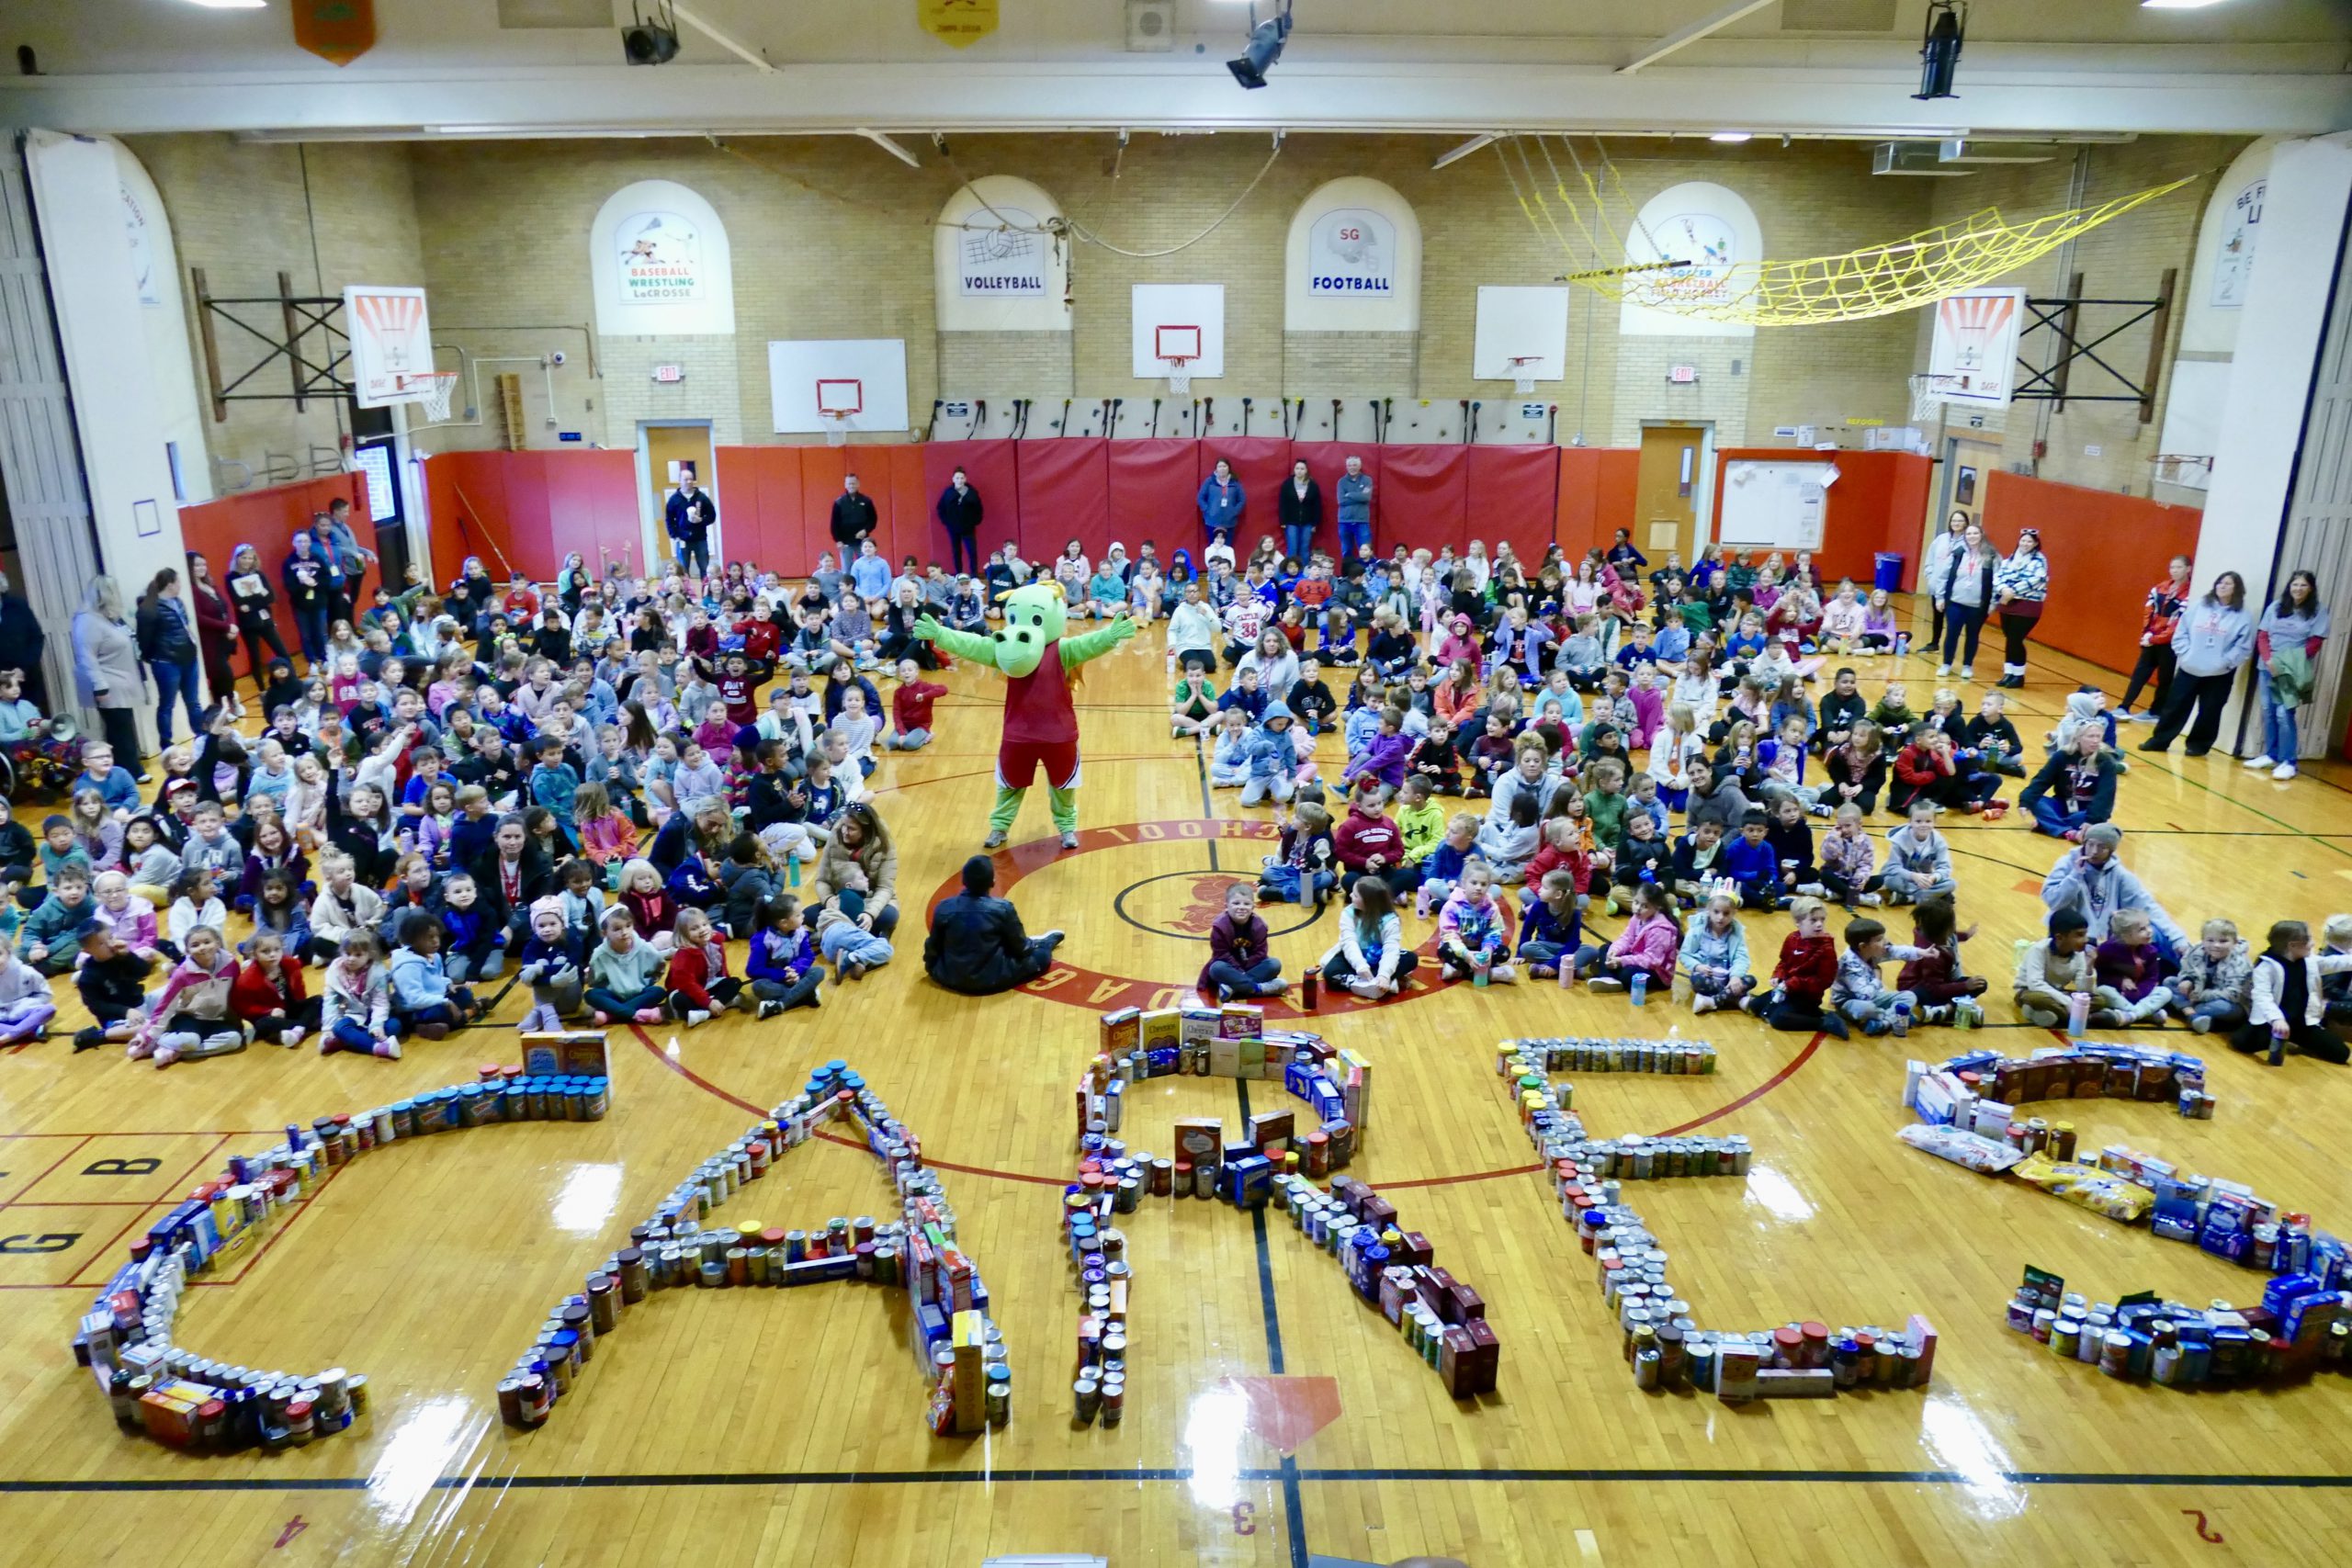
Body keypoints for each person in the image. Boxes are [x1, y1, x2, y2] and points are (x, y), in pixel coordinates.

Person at [2138, 570, 2255, 759]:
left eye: (2228, 584)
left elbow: (2243, 647)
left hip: (2219, 674)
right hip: (2189, 668)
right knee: (2175, 706)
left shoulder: (2243, 616)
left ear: (2237, 589)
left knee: (2210, 710)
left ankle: (2198, 745)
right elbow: (2181, 631)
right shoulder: (2199, 606)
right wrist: (2185, 654)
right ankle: (2159, 740)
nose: (2222, 586)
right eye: (2220, 582)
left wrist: (2225, 663)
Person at [924, 852, 1065, 996]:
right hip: (993, 979)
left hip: (948, 976)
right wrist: (1032, 947)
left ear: (964, 881)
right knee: (1041, 956)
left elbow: (933, 946)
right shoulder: (1002, 909)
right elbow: (1020, 948)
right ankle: (1044, 943)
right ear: (992, 882)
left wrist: (931, 966)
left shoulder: (944, 907)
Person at [2040, 822, 2186, 956]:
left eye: (2102, 847)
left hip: (2105, 940)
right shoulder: (2067, 863)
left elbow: (2148, 907)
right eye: (2090, 845)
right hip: (2071, 935)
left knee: (2154, 933)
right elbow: (2053, 901)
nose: (2094, 851)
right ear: (2084, 843)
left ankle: (2187, 967)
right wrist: (2074, 876)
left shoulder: (2120, 874)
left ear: (2111, 851)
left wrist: (2177, 938)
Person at [2247, 568, 2329, 780]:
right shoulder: (2276, 607)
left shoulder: (2317, 610)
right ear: (2289, 587)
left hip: (2292, 670)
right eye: (2295, 584)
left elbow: (2315, 643)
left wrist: (2285, 663)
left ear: (2310, 588)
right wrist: (2268, 660)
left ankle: (2288, 761)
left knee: (2285, 713)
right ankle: (2271, 754)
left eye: (2303, 585)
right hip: (2268, 668)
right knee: (2268, 710)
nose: (2298, 589)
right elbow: (2263, 635)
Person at [2241, 919, 2352, 1066]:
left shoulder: (2309, 961)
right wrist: (2277, 1020)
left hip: (2302, 1022)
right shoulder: (2266, 967)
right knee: (2242, 1043)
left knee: (2341, 1053)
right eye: (2309, 940)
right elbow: (2263, 996)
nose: (2313, 943)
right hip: (2272, 1024)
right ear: (2293, 946)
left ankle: (2292, 1038)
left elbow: (2334, 963)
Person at [71, 576, 145, 781]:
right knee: (119, 729)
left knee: (124, 727)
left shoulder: (109, 618)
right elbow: (87, 657)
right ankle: (130, 771)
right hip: (108, 684)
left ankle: (126, 770)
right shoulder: (87, 621)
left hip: (123, 682)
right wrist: (100, 686)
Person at [135, 567, 207, 747]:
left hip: (188, 657)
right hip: (166, 662)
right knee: (167, 704)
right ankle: (166, 742)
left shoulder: (179, 602)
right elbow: (144, 638)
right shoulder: (149, 608)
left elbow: (185, 627)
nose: (180, 585)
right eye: (178, 582)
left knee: (193, 701)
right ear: (170, 584)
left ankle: (202, 736)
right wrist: (152, 657)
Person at [2116, 555, 2191, 724]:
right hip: (2151, 638)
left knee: (2165, 678)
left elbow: (2178, 622)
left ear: (2188, 569)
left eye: (2178, 567)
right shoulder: (2159, 588)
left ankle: (2156, 711)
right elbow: (2149, 611)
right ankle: (2124, 707)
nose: (2174, 571)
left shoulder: (2189, 594)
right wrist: (2147, 633)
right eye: (2172, 567)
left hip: (2169, 644)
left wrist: (2157, 639)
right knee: (2140, 673)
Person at [2018, 726, 2117, 840]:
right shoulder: (2062, 756)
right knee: (2036, 801)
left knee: (2089, 818)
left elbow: (2105, 797)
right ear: (2078, 738)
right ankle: (2069, 832)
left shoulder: (2106, 761)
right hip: (2063, 804)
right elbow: (2042, 780)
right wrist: (2025, 801)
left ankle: (2048, 825)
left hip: (2087, 811)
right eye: (2091, 736)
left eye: (2098, 736)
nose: (2095, 740)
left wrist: (2092, 820)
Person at [1934, 521, 1995, 681]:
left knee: (1972, 636)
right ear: (1965, 536)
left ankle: (1967, 665)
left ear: (1981, 535)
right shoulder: (1958, 553)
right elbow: (1943, 576)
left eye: (1975, 533)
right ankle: (1946, 664)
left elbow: (1997, 582)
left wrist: (1992, 604)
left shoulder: (1991, 555)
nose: (1972, 536)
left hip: (1977, 606)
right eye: (1969, 534)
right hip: (1955, 603)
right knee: (1952, 634)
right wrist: (1940, 597)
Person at [1991, 527, 2048, 689]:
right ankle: (2008, 673)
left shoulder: (2039, 561)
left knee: (2016, 639)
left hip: (2027, 607)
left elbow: (2033, 580)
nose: (2025, 543)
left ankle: (2019, 675)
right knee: (2009, 638)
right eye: (2023, 540)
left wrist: (2012, 591)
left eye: (2029, 541)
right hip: (2007, 604)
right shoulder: (2010, 559)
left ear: (2036, 543)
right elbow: (1999, 576)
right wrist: (2004, 590)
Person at [281, 532, 332, 670]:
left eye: (305, 541)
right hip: (300, 605)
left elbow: (327, 579)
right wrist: (305, 585)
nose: (303, 544)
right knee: (306, 634)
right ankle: (312, 661)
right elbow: (289, 586)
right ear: (294, 543)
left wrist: (314, 583)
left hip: (319, 603)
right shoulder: (289, 562)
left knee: (321, 631)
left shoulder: (318, 559)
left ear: (310, 543)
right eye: (299, 541)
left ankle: (324, 657)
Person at [1921, 510, 1968, 650]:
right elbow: (1930, 558)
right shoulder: (1941, 539)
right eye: (1954, 520)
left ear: (1966, 523)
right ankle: (1934, 642)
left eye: (1960, 521)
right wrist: (1930, 575)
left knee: (1952, 619)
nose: (1956, 523)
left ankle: (1950, 647)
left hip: (1956, 588)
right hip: (1938, 585)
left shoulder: (1968, 542)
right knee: (1937, 615)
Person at [665, 471, 718, 579]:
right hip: (682, 540)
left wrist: (701, 520)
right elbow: (669, 519)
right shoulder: (674, 500)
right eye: (686, 479)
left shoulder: (702, 497)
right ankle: (686, 593)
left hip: (700, 539)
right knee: (683, 571)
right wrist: (675, 535)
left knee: (705, 569)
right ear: (680, 481)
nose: (689, 482)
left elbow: (712, 516)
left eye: (691, 479)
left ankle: (706, 591)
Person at [935, 466, 984, 578]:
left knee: (972, 552)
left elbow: (979, 509)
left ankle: (974, 576)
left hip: (968, 528)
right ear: (953, 479)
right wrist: (947, 522)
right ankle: (959, 574)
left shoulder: (972, 493)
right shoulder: (948, 493)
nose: (960, 480)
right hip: (953, 529)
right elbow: (940, 508)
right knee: (956, 552)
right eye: (957, 478)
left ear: (965, 479)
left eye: (962, 478)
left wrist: (975, 521)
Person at [1277, 458, 1322, 565]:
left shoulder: (1313, 485)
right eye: (1297, 468)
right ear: (1294, 470)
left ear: (1306, 470)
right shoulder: (1287, 484)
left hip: (1308, 523)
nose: (1299, 471)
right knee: (1292, 548)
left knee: (1304, 549)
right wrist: (1283, 521)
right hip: (1291, 522)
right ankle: (1290, 571)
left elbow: (1317, 505)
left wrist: (1315, 523)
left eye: (1302, 468)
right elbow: (1282, 503)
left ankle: (1304, 573)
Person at [829, 473, 878, 557]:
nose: (851, 486)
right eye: (849, 483)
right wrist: (838, 540)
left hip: (863, 543)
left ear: (858, 484)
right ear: (845, 485)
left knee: (864, 568)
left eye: (853, 483)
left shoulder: (866, 501)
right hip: (846, 544)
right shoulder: (839, 502)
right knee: (847, 569)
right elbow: (834, 524)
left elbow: (873, 519)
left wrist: (865, 530)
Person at [1197, 458, 1245, 546]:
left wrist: (1234, 512)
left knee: (1227, 548)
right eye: (1220, 466)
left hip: (1229, 522)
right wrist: (1208, 510)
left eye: (1224, 466)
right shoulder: (1209, 481)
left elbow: (1242, 499)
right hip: (1212, 521)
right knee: (1213, 547)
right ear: (1216, 469)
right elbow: (1200, 497)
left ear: (1228, 468)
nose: (1222, 469)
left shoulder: (1235, 482)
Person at [1336, 455, 1374, 560]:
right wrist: (1358, 495)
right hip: (1344, 522)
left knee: (1365, 550)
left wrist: (1349, 494)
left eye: (1355, 465)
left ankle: (1367, 573)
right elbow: (1341, 500)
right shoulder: (1341, 482)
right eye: (1350, 465)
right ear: (1346, 467)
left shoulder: (1367, 480)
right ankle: (1348, 574)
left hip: (1362, 522)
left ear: (1360, 466)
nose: (1352, 467)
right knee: (1346, 550)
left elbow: (1366, 497)